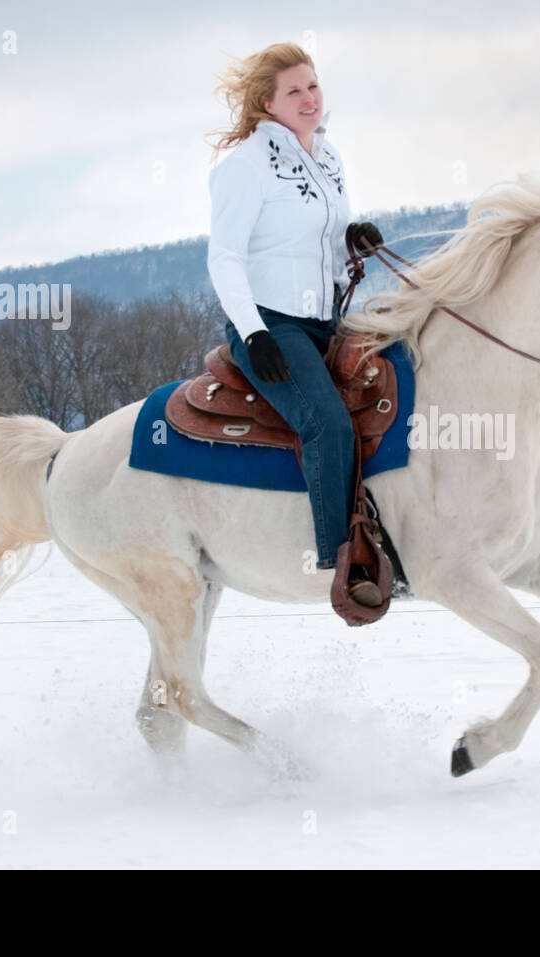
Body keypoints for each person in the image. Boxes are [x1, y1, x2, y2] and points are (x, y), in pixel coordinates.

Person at [206, 42, 385, 608]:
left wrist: (350, 239)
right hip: (270, 325)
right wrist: (253, 332)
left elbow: (315, 235)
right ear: (267, 103)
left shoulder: (327, 155)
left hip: (325, 318)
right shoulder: (244, 166)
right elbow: (225, 257)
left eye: (313, 86)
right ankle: (345, 560)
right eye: (294, 91)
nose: (309, 99)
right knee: (328, 425)